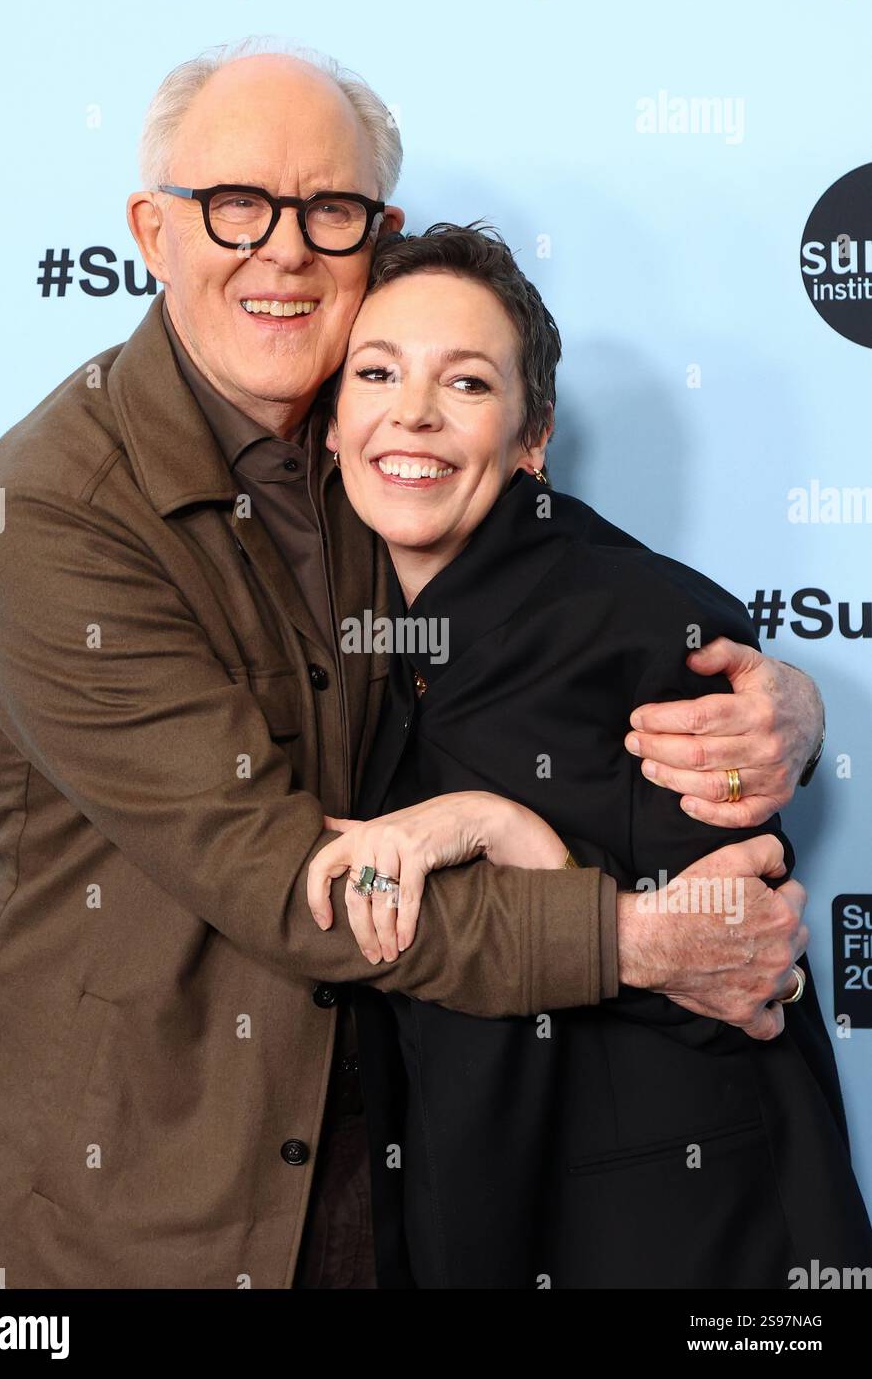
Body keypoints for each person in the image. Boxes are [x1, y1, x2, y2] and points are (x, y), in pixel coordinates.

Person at [0, 42, 822, 1290]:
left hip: (391, 1187)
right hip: (139, 1219)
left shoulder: (373, 443)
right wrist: (638, 939)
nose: (285, 250)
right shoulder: (53, 512)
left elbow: (577, 586)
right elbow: (291, 878)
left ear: (378, 234)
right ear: (152, 229)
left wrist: (766, 695)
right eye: (235, 205)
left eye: (331, 211)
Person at [310, 222, 872, 1288]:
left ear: (534, 435)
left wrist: (505, 830)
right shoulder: (335, 629)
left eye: (467, 382)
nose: (413, 412)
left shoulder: (643, 620)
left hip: (684, 1229)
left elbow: (740, 955)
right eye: (376, 372)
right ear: (334, 423)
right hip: (459, 1200)